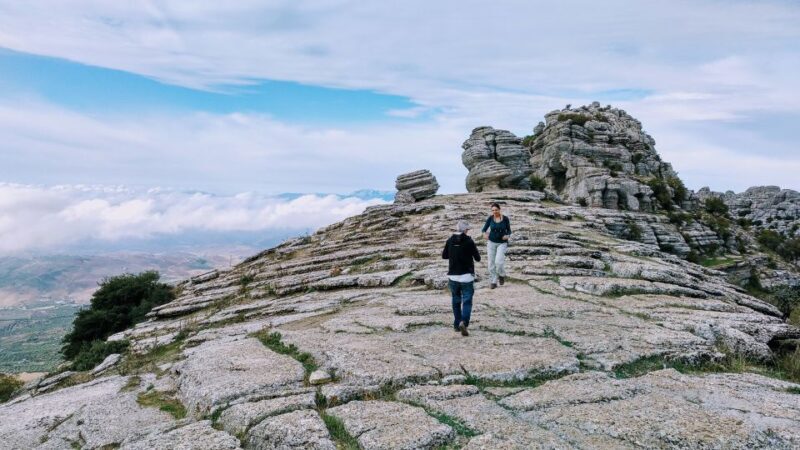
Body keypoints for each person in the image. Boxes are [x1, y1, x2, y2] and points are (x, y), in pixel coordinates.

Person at [442, 220, 481, 336]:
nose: (468, 231)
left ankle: (456, 324)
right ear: (465, 230)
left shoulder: (449, 240)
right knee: (467, 301)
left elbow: (444, 256)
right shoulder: (469, 241)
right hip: (467, 276)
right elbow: (477, 258)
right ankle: (464, 322)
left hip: (453, 276)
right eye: (467, 229)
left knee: (456, 300)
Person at [481, 202, 511, 289]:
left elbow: (509, 230)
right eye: (493, 210)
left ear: (499, 209)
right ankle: (494, 281)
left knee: (499, 262)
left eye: (496, 210)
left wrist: (507, 235)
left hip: (502, 242)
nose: (494, 211)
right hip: (491, 242)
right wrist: (484, 234)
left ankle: (501, 275)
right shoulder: (490, 218)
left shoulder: (505, 219)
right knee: (491, 263)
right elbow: (484, 229)